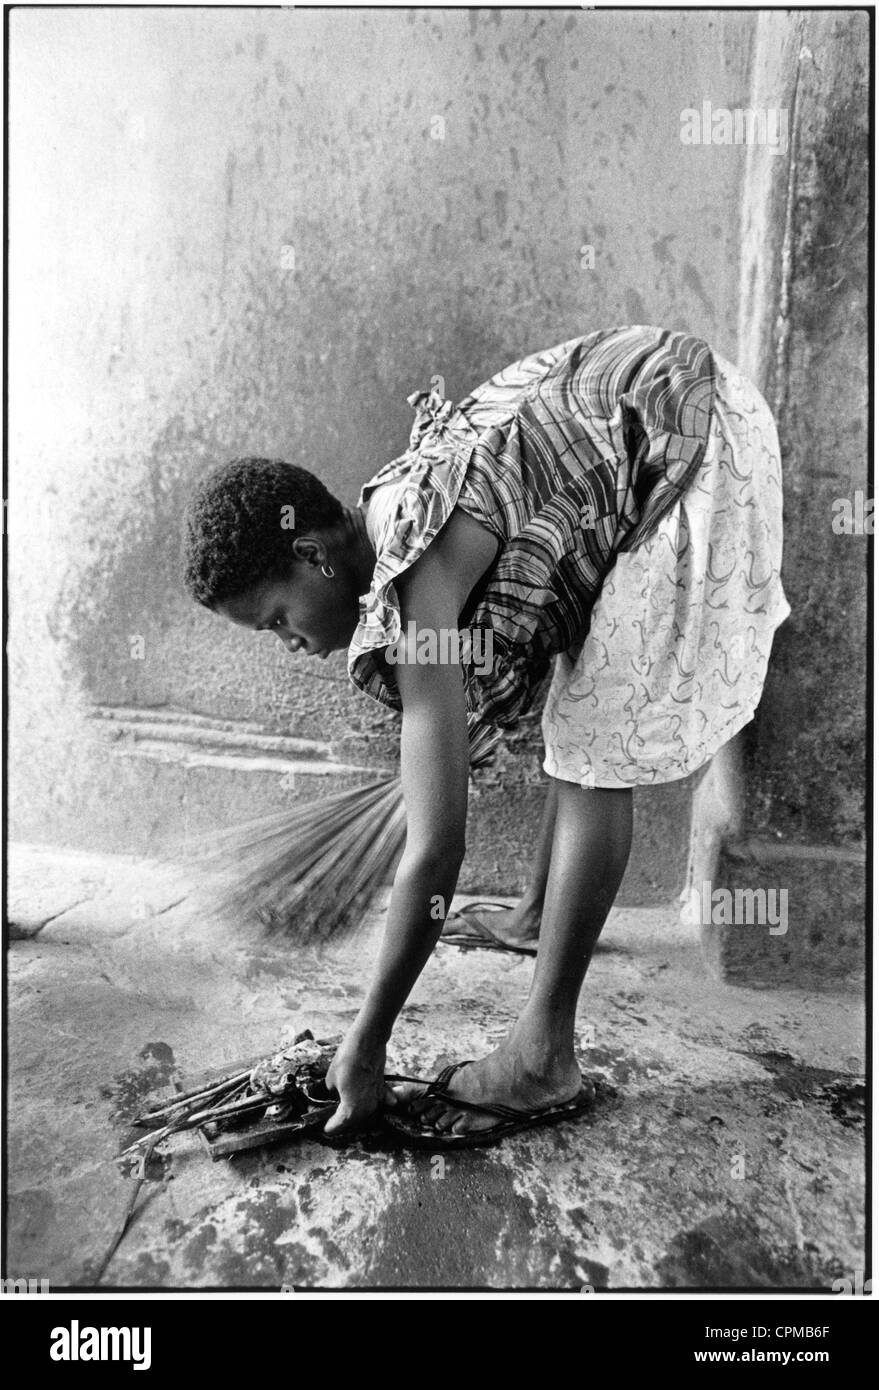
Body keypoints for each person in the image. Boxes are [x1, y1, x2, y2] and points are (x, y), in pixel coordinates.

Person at [182, 324, 790, 1145]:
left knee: (594, 754)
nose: (289, 642)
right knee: (573, 714)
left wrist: (367, 1038)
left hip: (693, 441)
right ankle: (538, 912)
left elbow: (434, 852)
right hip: (649, 399)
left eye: (275, 620)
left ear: (314, 553)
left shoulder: (414, 581)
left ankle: (543, 1057)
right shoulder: (388, 510)